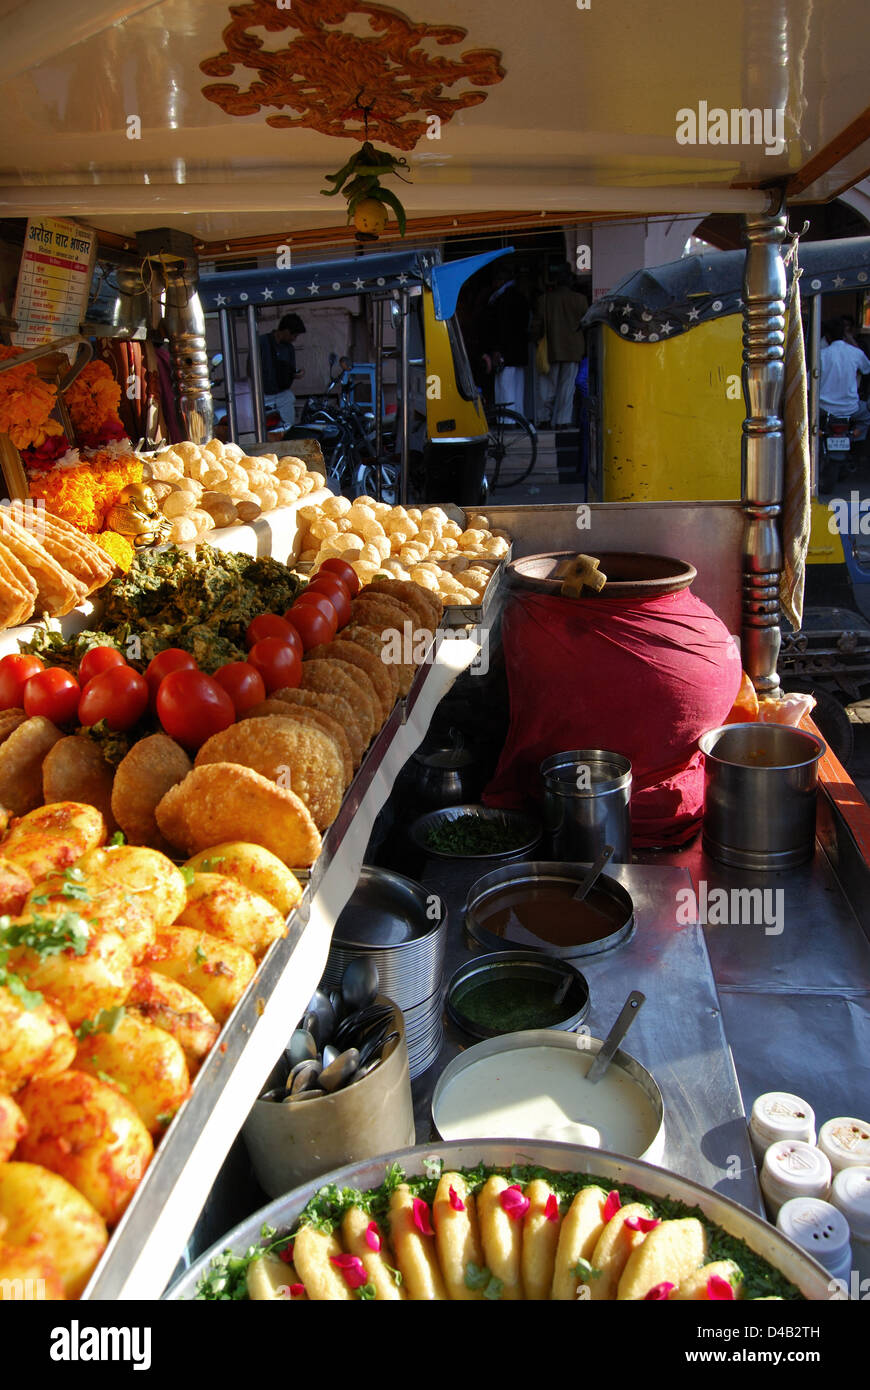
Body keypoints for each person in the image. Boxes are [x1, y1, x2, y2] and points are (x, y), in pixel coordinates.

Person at [531, 265, 589, 428]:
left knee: (547, 387)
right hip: (573, 350)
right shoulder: (580, 300)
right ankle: (562, 421)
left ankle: (544, 419)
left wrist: (536, 340)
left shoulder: (544, 300)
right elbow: (586, 324)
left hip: (551, 350)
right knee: (567, 388)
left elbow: (537, 326)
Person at [484, 265, 529, 414]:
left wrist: (497, 349)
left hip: (505, 351)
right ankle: (518, 417)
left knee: (504, 386)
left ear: (501, 281)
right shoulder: (521, 297)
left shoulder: (500, 300)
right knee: (518, 386)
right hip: (519, 350)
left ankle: (507, 419)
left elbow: (500, 327)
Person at [819, 316, 870, 444]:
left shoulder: (821, 355)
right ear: (845, 334)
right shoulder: (855, 353)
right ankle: (854, 439)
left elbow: (808, 383)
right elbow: (867, 369)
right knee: (866, 416)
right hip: (851, 408)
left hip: (824, 409)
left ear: (828, 337)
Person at [258, 313, 305, 429]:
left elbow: (290, 370)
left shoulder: (288, 348)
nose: (294, 339)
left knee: (288, 426)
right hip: (263, 394)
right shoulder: (262, 342)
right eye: (294, 335)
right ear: (286, 331)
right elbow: (251, 368)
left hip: (282, 394)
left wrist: (296, 374)